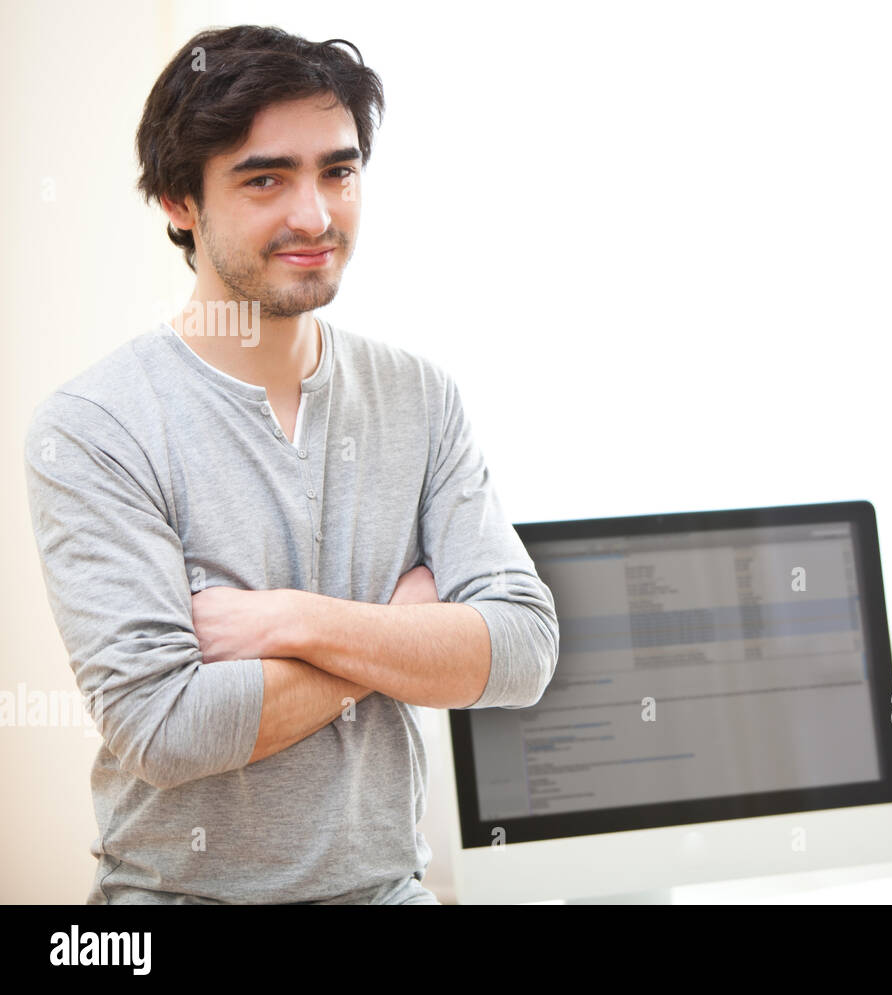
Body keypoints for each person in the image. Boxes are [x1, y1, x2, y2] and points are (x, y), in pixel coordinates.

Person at [22, 25, 559, 905]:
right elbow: (166, 727)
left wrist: (289, 620)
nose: (315, 215)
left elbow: (523, 649)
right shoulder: (96, 428)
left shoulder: (420, 397)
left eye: (338, 172)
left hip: (390, 892)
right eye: (265, 177)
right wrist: (395, 634)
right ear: (178, 202)